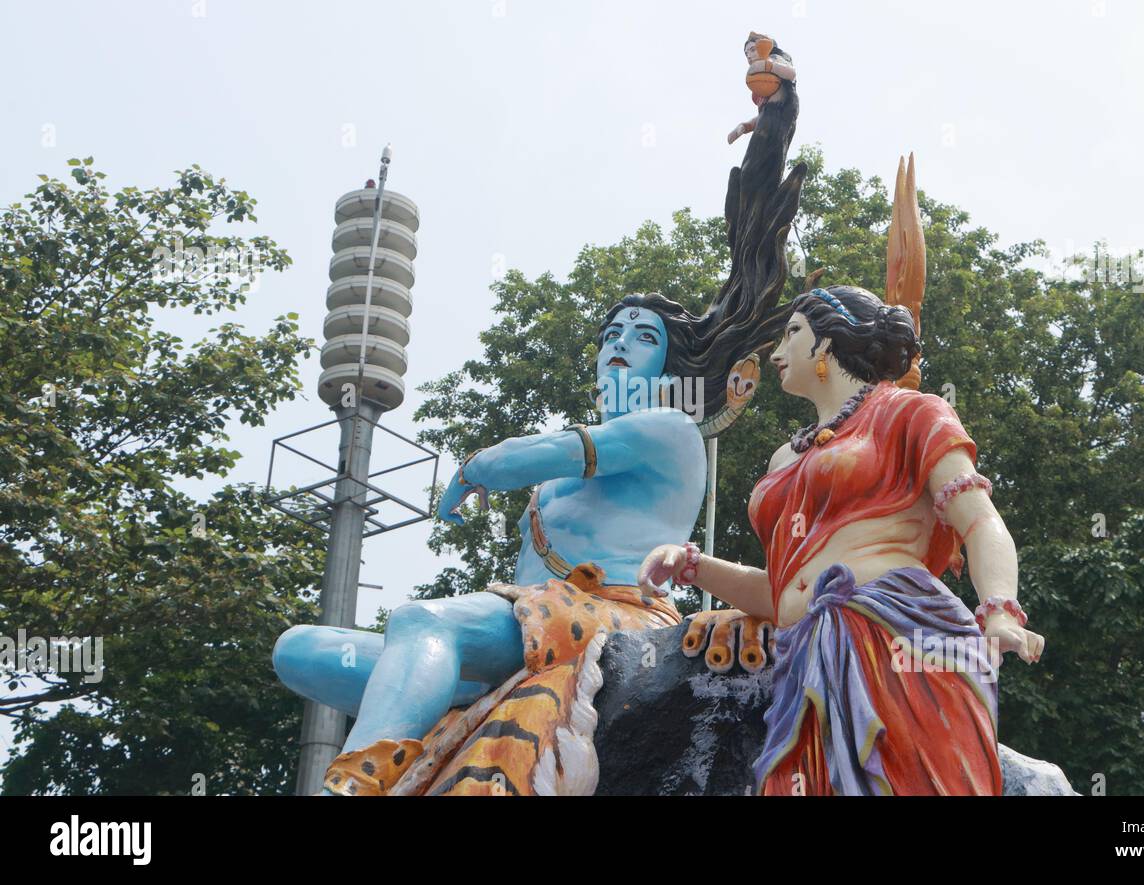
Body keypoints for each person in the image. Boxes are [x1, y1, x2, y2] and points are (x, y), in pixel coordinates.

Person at [272, 36, 807, 795]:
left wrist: (474, 471)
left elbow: (527, 456)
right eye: (612, 333)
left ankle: (353, 786)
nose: (621, 346)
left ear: (672, 365)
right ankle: (430, 698)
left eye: (643, 337)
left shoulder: (668, 430)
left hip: (609, 623)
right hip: (523, 629)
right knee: (301, 649)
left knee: (423, 622)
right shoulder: (595, 450)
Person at [638, 285, 1046, 796]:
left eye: (792, 334)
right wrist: (692, 566)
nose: (776, 351)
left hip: (899, 640)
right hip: (803, 663)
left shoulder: (912, 412)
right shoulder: (783, 460)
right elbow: (781, 591)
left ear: (826, 344)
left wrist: (1000, 610)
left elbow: (979, 520)